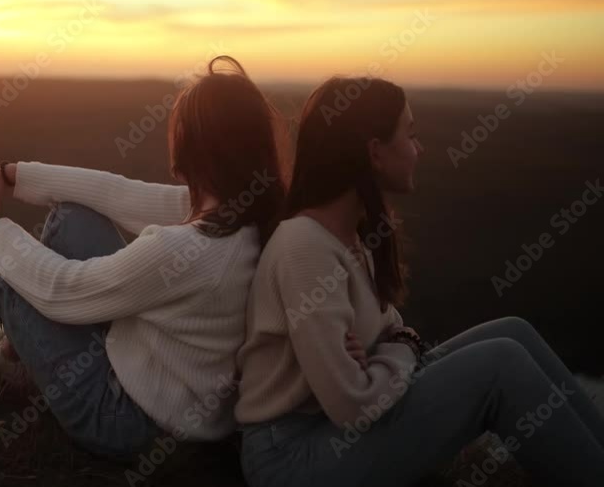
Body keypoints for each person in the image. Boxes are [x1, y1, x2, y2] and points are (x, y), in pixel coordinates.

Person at [0, 56, 289, 457]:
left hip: (125, 420)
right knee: (73, 216)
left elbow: (63, 292)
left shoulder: (188, 248)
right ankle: (13, 362)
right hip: (174, 403)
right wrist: (13, 174)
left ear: (195, 146)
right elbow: (116, 193)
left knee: (2, 274)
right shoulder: (244, 217)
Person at [235, 76, 604, 486]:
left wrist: (391, 350)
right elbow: (352, 403)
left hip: (327, 430)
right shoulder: (305, 250)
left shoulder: (347, 236)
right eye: (410, 135)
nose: (419, 148)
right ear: (375, 152)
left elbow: (390, 331)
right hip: (292, 457)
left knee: (514, 332)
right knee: (501, 363)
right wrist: (400, 352)